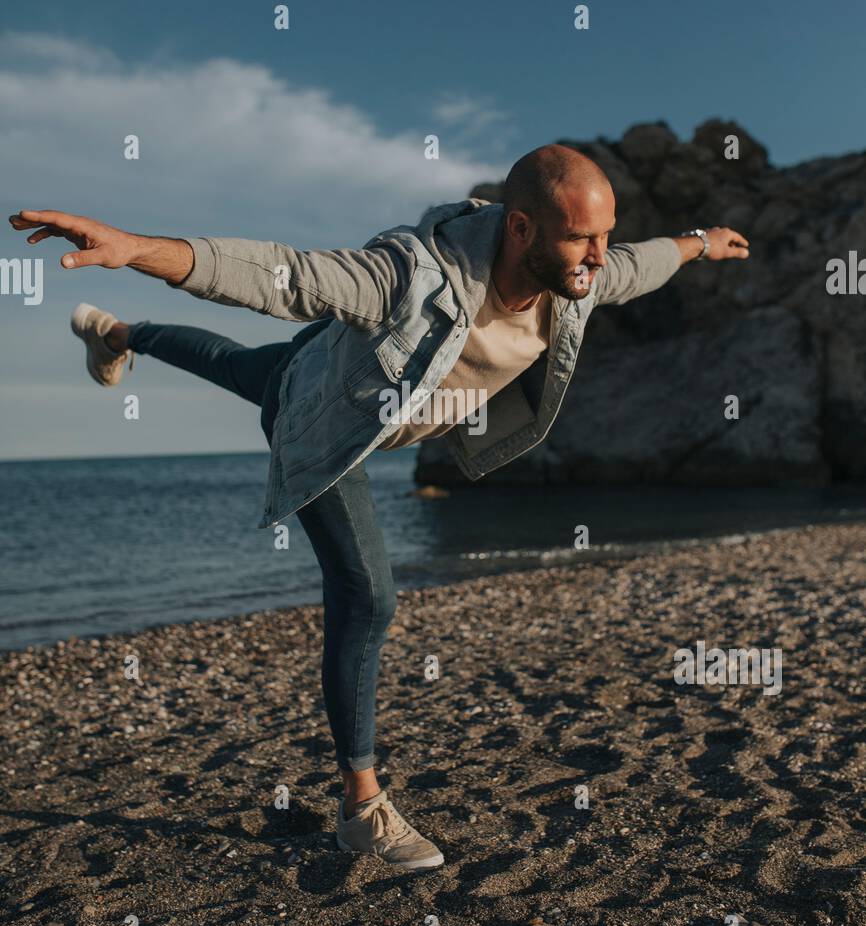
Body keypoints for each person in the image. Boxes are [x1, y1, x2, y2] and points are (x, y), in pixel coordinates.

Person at [10, 144, 749, 870]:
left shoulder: (578, 270)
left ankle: (117, 332)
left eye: (604, 232)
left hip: (324, 362)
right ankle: (362, 810)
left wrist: (700, 243)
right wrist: (138, 248)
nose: (596, 253)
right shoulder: (409, 275)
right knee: (368, 594)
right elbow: (283, 276)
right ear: (520, 227)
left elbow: (634, 268)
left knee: (237, 364)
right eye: (580, 236)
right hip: (329, 430)